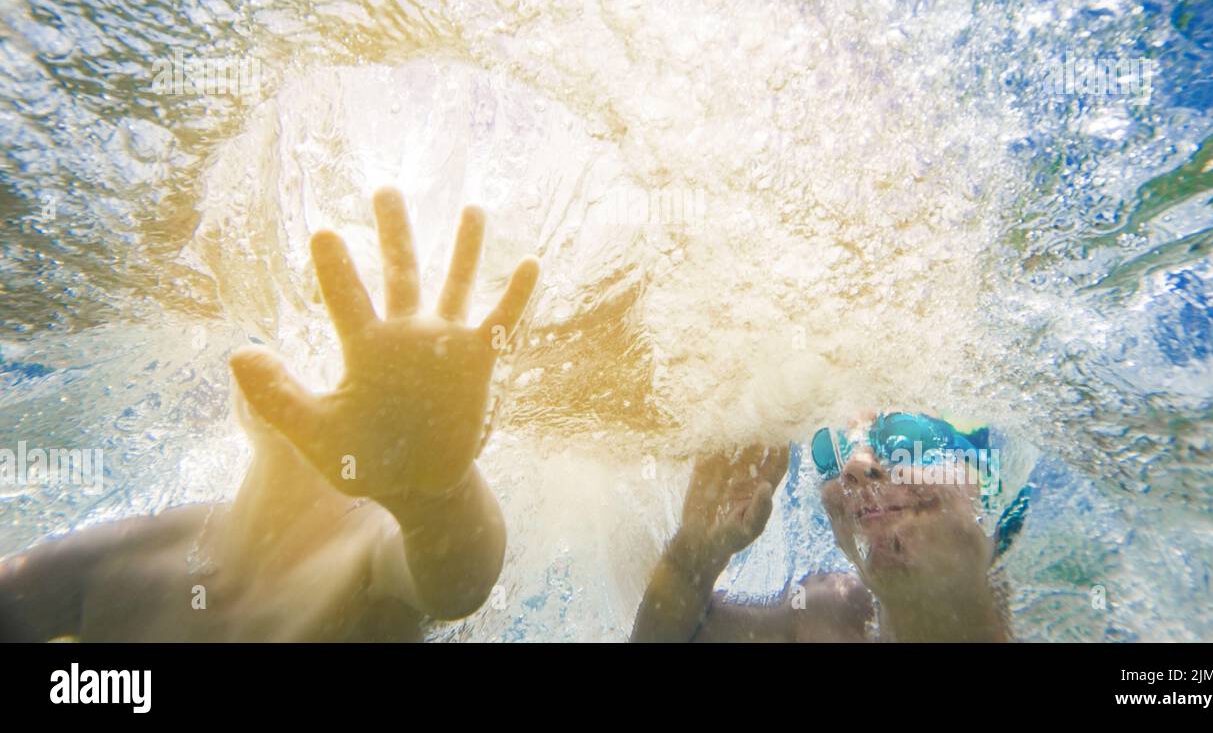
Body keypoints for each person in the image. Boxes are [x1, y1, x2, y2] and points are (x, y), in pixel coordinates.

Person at [0, 188, 539, 641]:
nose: (340, 388)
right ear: (242, 398)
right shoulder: (129, 554)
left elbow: (459, 585)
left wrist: (432, 496)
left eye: (358, 378)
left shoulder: (368, 557)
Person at [631, 413, 1018, 642]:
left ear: (989, 486)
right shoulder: (828, 619)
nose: (852, 467)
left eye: (907, 439)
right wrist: (698, 550)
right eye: (830, 454)